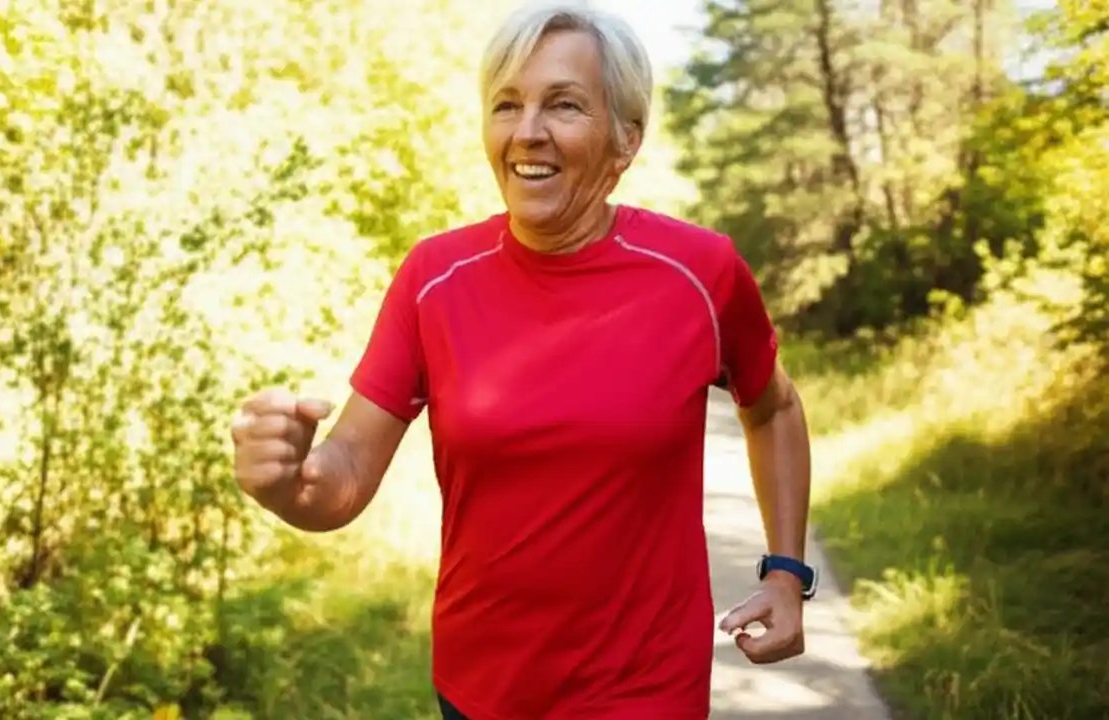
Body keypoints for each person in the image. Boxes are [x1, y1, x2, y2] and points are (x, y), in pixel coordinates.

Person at [230, 2, 815, 717]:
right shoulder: (433, 279)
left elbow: (774, 406)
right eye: (506, 104)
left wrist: (786, 572)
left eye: (564, 105)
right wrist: (287, 484)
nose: (527, 131)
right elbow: (344, 476)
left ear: (627, 138)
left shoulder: (700, 273)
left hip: (645, 689)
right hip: (482, 689)